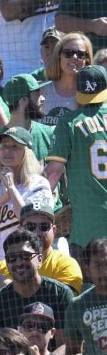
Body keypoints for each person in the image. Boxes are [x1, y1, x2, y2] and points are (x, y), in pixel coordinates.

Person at [44, 66, 107, 257]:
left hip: (87, 226)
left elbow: (54, 172)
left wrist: (38, 207)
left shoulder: (69, 122)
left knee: (88, 285)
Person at [0, 128, 52, 271]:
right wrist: (2, 198)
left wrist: (11, 188)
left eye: (14, 147)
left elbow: (28, 219)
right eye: (4, 146)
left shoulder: (38, 184)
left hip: (24, 266)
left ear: (26, 153)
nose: (7, 151)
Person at [0, 230, 74, 341]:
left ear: (40, 259)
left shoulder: (59, 293)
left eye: (25, 256)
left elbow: (67, 348)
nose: (19, 263)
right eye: (12, 258)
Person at [38, 31, 92, 126]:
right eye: (68, 53)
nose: (75, 57)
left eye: (80, 54)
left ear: (86, 60)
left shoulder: (92, 95)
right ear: (59, 55)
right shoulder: (40, 91)